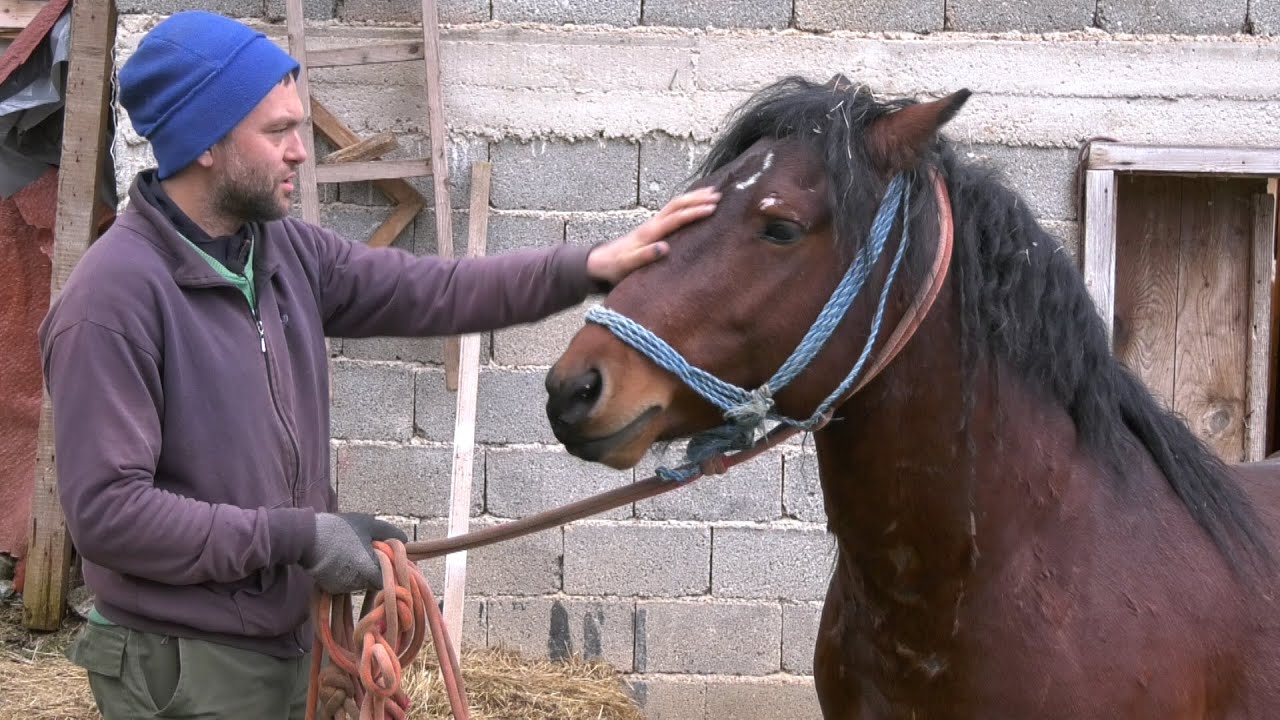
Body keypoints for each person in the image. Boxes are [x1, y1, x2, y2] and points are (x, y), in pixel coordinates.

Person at [40, 10, 719, 719]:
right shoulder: (111, 301)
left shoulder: (281, 254)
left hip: (281, 641)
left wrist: (589, 266)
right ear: (205, 144)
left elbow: (438, 291)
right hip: (182, 663)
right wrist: (301, 537)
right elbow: (109, 518)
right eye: (277, 132)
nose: (300, 151)